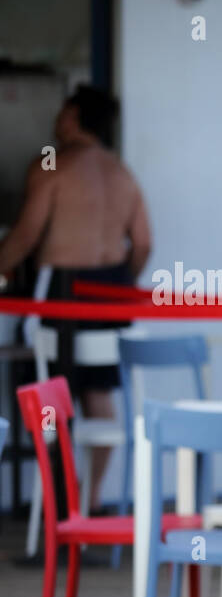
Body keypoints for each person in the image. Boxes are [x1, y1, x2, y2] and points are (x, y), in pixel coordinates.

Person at [0, 85, 150, 514]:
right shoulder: (122, 172)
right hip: (110, 292)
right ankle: (91, 495)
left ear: (73, 117)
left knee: (46, 389)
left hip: (61, 292)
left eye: (62, 113)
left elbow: (25, 237)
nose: (55, 122)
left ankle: (60, 495)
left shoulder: (52, 168)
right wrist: (120, 286)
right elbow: (143, 242)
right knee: (99, 393)